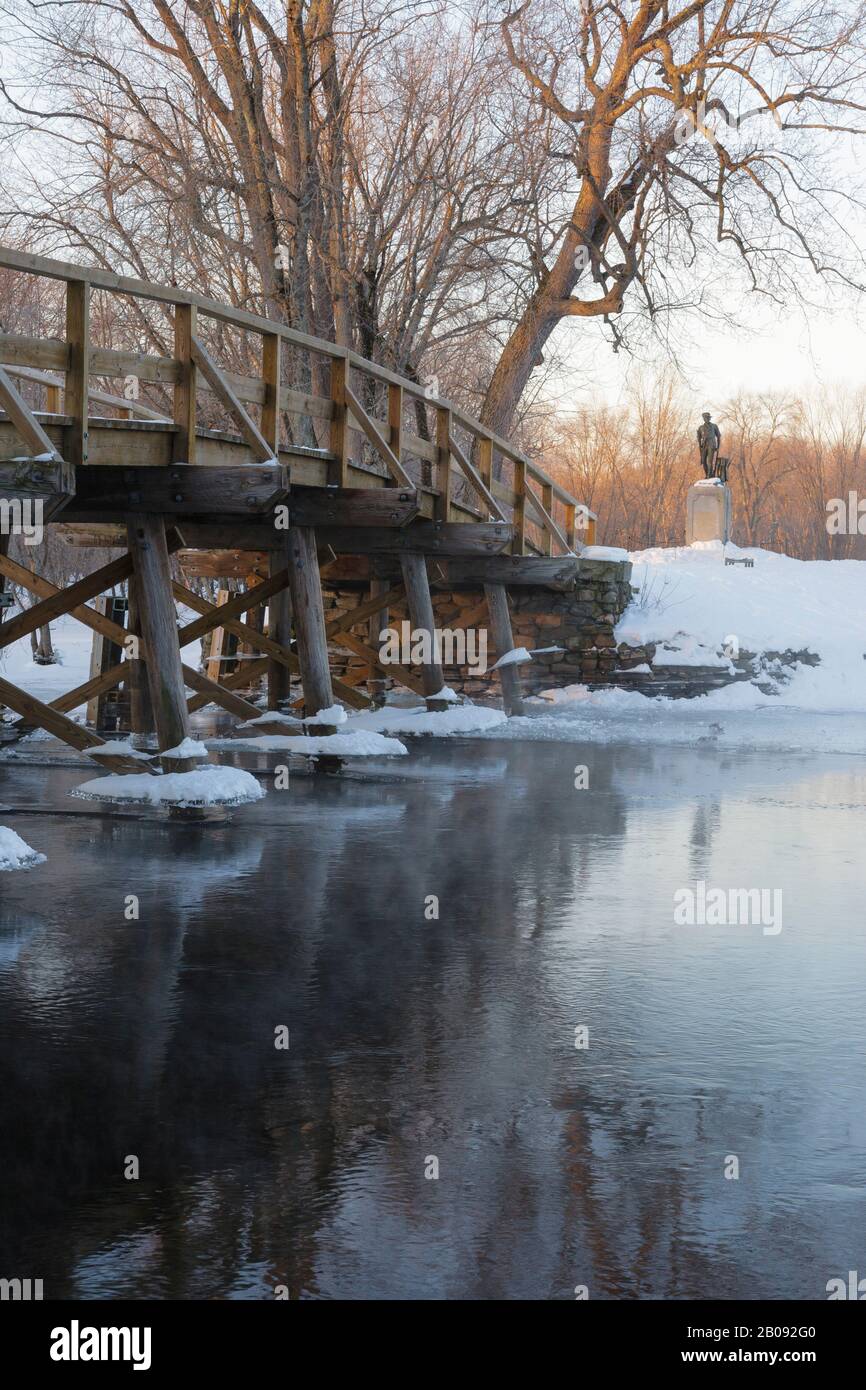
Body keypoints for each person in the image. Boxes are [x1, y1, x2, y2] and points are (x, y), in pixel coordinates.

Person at [697, 411, 721, 477]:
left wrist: (718, 447)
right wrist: (700, 447)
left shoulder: (714, 426)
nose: (706, 419)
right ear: (703, 419)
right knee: (703, 462)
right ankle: (707, 474)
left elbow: (718, 436)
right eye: (705, 418)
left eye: (708, 417)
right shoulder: (700, 428)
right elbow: (699, 439)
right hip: (704, 446)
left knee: (709, 462)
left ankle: (709, 475)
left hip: (711, 445)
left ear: (709, 418)